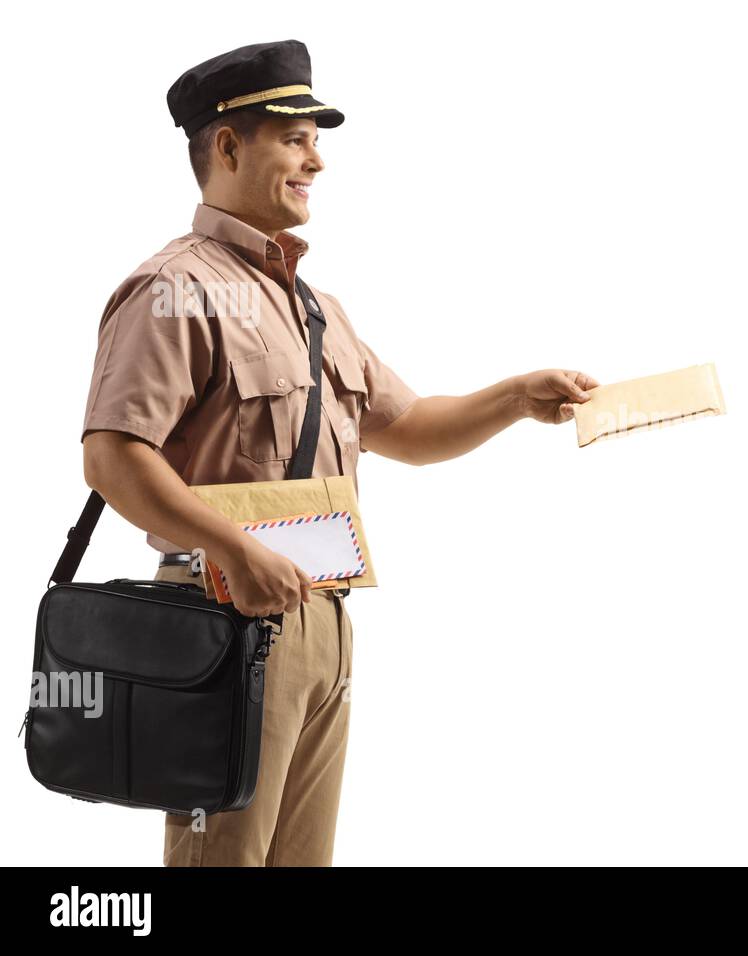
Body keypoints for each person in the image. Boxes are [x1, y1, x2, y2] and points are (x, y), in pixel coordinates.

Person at [80, 38, 598, 866]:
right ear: (227, 146)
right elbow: (112, 457)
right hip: (222, 610)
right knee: (223, 857)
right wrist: (234, 550)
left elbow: (411, 425)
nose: (316, 159)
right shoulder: (173, 289)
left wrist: (514, 397)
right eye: (296, 137)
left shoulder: (316, 307)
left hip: (321, 614)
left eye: (318, 139)